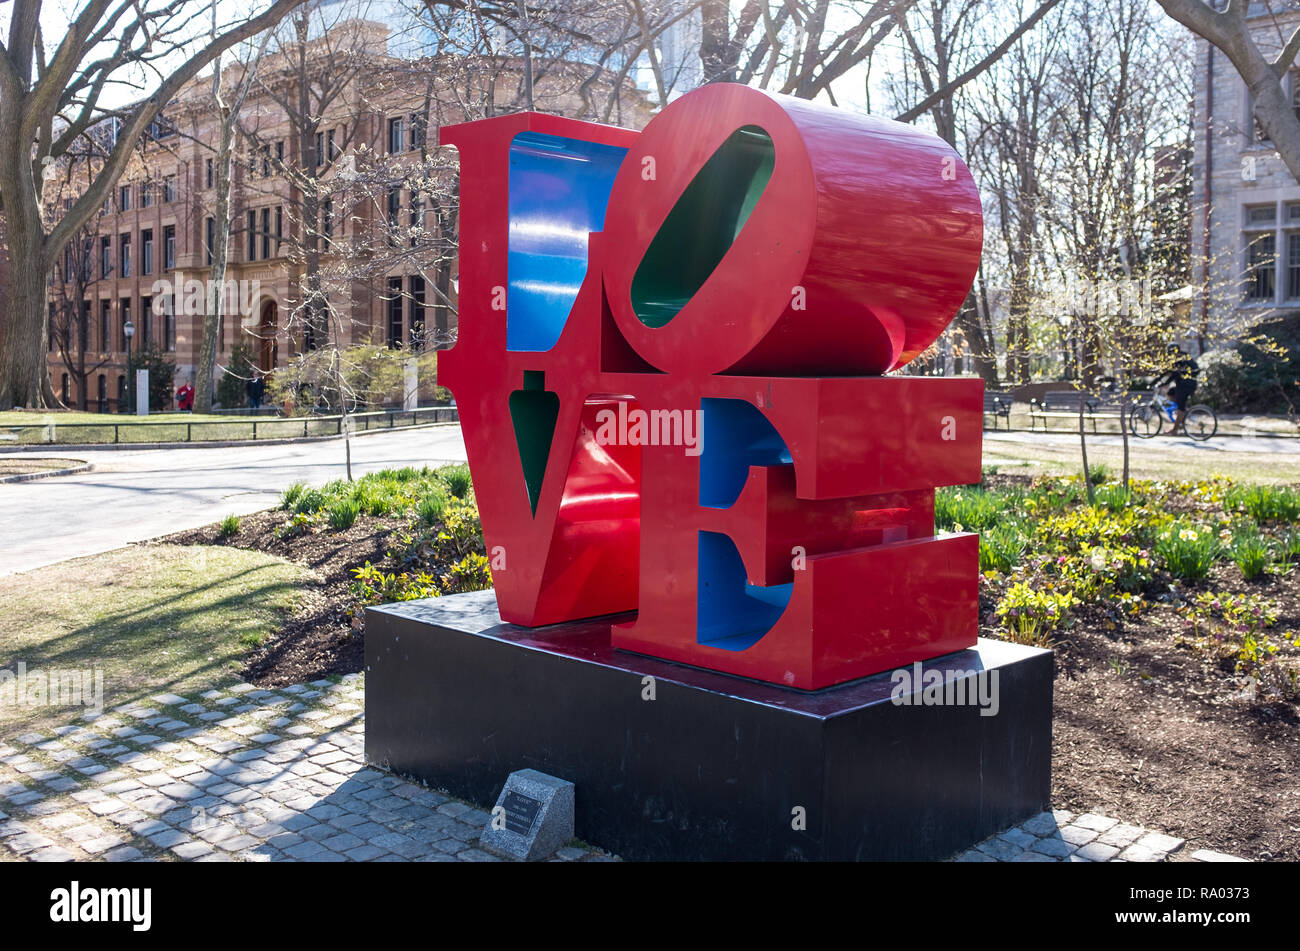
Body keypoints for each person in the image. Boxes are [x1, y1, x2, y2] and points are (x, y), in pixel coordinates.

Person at [1154, 344, 1198, 436]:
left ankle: (1175, 429)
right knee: (1170, 393)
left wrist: (1161, 383)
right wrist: (1158, 382)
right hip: (1185, 384)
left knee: (1180, 407)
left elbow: (1172, 374)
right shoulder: (1182, 357)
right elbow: (1168, 373)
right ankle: (1182, 414)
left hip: (1186, 386)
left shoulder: (1179, 360)